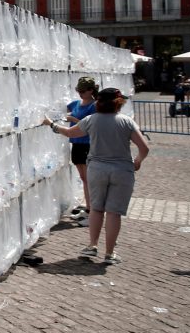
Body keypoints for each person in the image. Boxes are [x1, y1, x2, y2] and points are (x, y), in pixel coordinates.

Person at [43, 88, 150, 265]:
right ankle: (109, 253)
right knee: (114, 212)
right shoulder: (126, 122)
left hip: (97, 168)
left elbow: (69, 133)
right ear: (119, 103)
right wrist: (138, 161)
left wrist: (51, 124)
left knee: (96, 209)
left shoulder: (91, 120)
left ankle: (92, 246)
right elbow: (144, 147)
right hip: (122, 170)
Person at [64, 77, 98, 226]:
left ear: (91, 90)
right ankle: (89, 208)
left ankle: (93, 212)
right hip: (76, 143)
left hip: (87, 144)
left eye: (83, 91)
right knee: (84, 178)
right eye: (79, 90)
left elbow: (92, 125)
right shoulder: (75, 104)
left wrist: (74, 120)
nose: (80, 93)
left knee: (90, 179)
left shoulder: (94, 106)